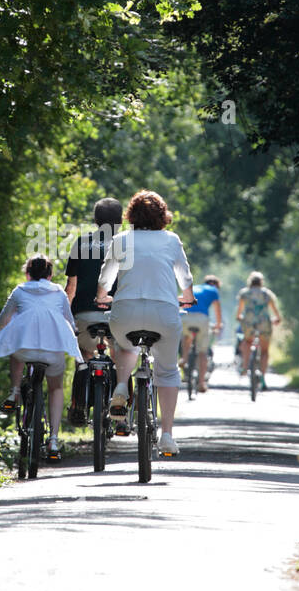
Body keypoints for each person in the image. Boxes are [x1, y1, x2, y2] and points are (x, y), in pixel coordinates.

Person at [96, 189, 195, 457]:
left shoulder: (121, 239)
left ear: (131, 215)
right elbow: (185, 278)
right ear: (163, 216)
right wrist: (188, 298)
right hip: (163, 311)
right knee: (167, 370)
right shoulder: (171, 240)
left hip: (125, 310)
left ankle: (120, 386)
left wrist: (102, 296)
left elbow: (106, 277)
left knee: (126, 345)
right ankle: (167, 436)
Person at [0, 254, 83, 460]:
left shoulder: (20, 291)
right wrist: (74, 331)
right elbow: (70, 322)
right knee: (56, 387)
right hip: (53, 352)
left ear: (27, 273)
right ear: (50, 275)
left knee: (16, 351)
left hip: (25, 351)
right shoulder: (59, 293)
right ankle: (54, 440)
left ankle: (14, 392)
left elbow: (3, 320)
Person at [64, 197, 122, 424]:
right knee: (121, 359)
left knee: (85, 356)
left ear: (95, 220)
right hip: (118, 315)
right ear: (121, 220)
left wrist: (65, 317)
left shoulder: (82, 242)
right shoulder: (127, 245)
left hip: (84, 315)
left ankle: (78, 404)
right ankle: (122, 410)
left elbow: (71, 288)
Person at [235, 270, 282, 388]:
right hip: (264, 324)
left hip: (249, 324)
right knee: (265, 351)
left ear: (250, 281)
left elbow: (239, 312)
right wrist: (277, 319)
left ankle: (245, 367)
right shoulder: (267, 294)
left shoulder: (244, 293)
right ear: (261, 282)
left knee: (247, 342)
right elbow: (275, 311)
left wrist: (239, 318)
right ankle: (262, 376)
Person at [179, 274, 223, 393]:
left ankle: (184, 358)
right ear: (216, 285)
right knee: (202, 352)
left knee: (186, 336)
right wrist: (219, 324)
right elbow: (217, 309)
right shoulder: (213, 290)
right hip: (201, 319)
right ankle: (201, 383)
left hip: (185, 316)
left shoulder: (195, 287)